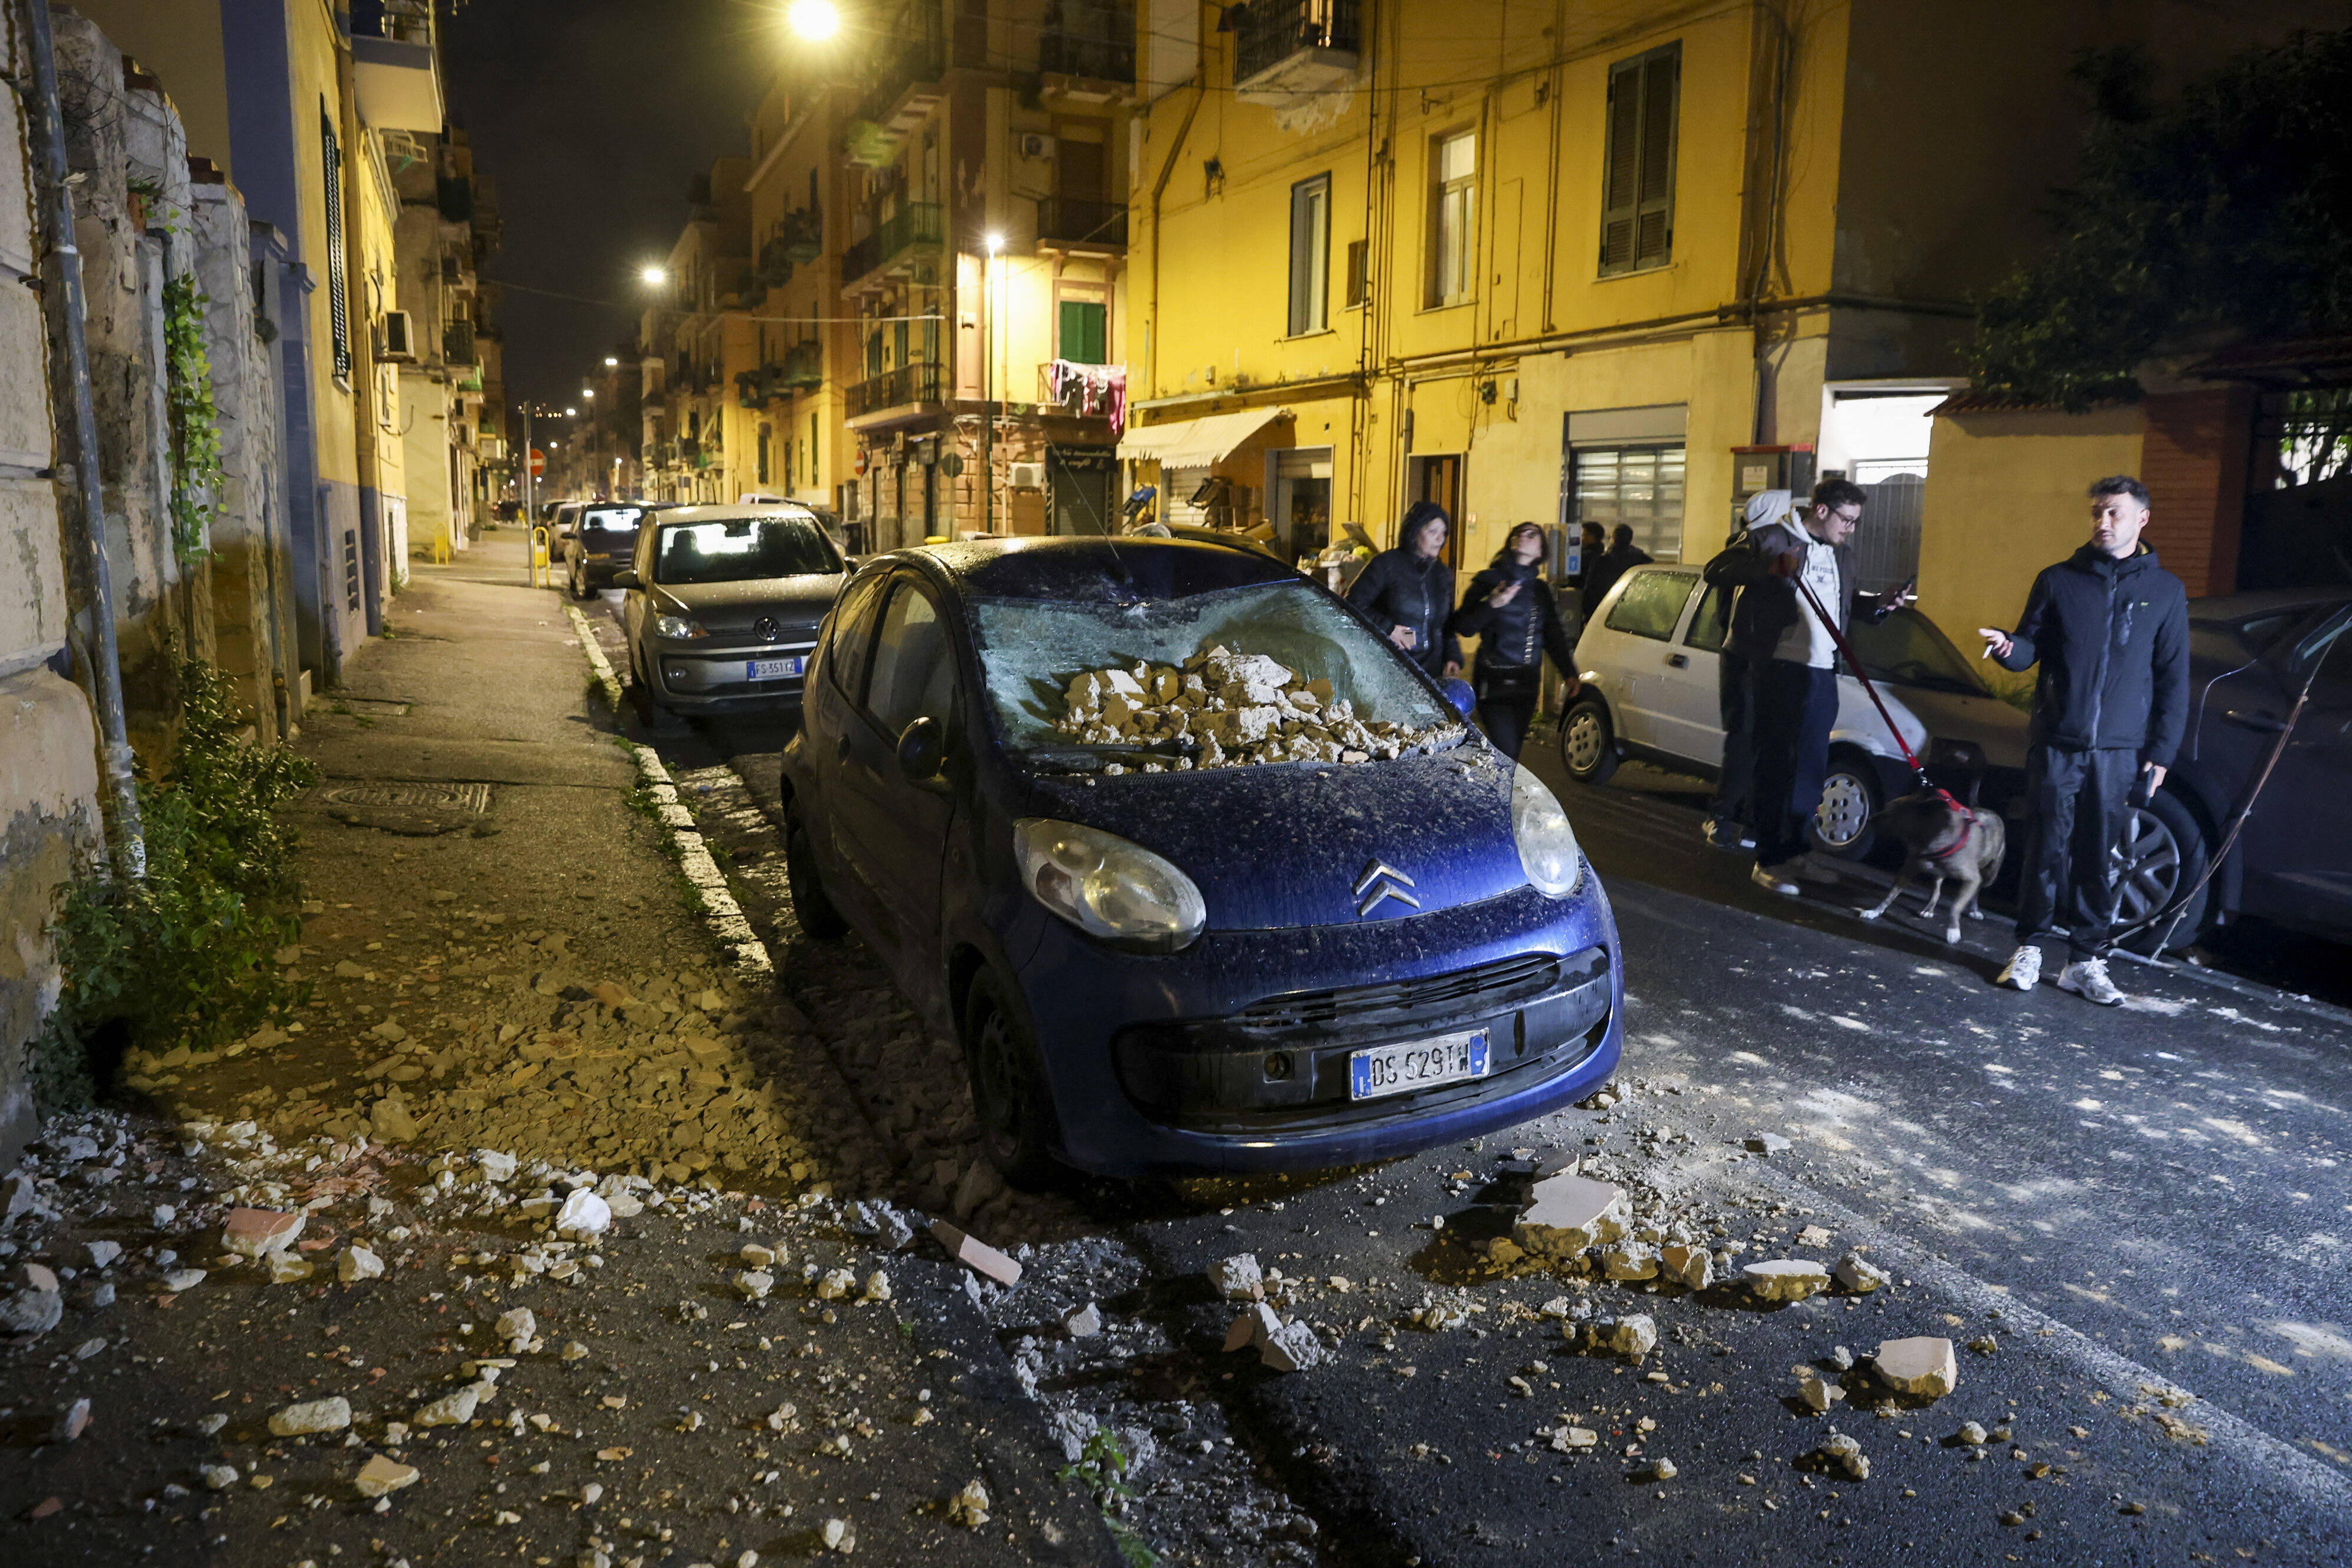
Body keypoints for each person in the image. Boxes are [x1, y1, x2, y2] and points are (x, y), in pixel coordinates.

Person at [1979, 476, 2188, 1005]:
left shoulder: (2164, 592)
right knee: (2044, 850)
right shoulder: (2058, 580)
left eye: (2114, 513)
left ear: (2142, 519)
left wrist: (2161, 753)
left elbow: (2172, 678)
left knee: (2101, 856)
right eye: (2097, 512)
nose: (2102, 522)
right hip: (2057, 740)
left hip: (2120, 751)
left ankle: (2086, 961)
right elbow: (2030, 647)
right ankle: (2029, 948)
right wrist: (2009, 648)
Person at [1706, 478, 1908, 896]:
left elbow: (1848, 606)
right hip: (1778, 669)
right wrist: (1770, 569)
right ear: (1822, 511)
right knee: (1775, 765)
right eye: (1847, 520)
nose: (1850, 529)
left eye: (1855, 521)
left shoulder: (1843, 557)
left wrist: (1882, 604)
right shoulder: (1773, 537)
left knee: (1810, 771)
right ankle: (1769, 859)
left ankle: (1796, 851)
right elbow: (1717, 571)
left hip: (1822, 673)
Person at [1699, 491, 1803, 851]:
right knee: (1743, 736)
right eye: (1788, 508)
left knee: (1765, 738)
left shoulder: (1793, 543)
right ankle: (1722, 816)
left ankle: (1748, 818)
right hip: (1743, 654)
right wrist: (1770, 567)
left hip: (1773, 655)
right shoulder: (1760, 541)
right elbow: (1715, 572)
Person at [1448, 521, 1580, 761]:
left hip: (1527, 683)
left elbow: (1554, 635)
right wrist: (1492, 605)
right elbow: (1463, 626)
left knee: (1511, 754)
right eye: (1519, 533)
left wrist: (1569, 673)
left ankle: (1492, 792)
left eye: (1532, 535)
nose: (1523, 537)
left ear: (1541, 551)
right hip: (1493, 680)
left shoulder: (1540, 590)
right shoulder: (1488, 581)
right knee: (1505, 749)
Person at [1347, 500, 1463, 681]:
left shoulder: (1442, 573)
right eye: (1433, 532)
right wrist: (1388, 628)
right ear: (1414, 531)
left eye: (1444, 533)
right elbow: (1352, 604)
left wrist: (1453, 655)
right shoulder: (1385, 565)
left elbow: (1445, 623)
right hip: (1390, 669)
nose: (1440, 539)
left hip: (1432, 673)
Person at [1579, 524, 1653, 620]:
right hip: (1633, 609)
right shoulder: (1643, 560)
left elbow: (1591, 590)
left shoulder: (1601, 561)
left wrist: (1587, 615)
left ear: (1613, 539)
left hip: (1605, 610)